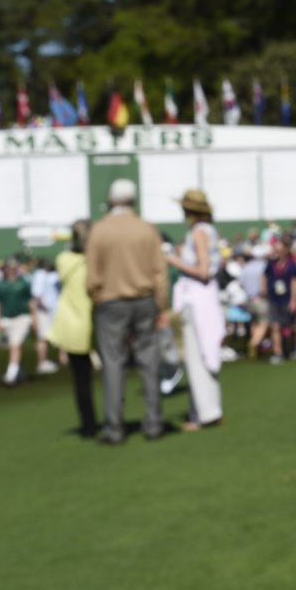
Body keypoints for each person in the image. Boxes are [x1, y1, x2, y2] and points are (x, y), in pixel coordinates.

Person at [86, 179, 168, 443]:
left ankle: (114, 427)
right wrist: (161, 304)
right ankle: (154, 423)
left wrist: (96, 295)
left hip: (111, 302)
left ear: (111, 199)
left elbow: (92, 274)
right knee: (149, 361)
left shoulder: (99, 230)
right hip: (144, 300)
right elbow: (160, 270)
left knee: (113, 364)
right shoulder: (147, 229)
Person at [165, 188, 225, 431]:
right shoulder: (206, 231)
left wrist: (174, 260)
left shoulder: (199, 232)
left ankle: (206, 412)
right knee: (202, 353)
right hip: (201, 297)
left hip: (197, 298)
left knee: (197, 354)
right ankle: (203, 411)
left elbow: (202, 270)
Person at [47, 220, 98, 438]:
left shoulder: (63, 259)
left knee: (81, 379)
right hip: (95, 322)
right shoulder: (96, 261)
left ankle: (88, 425)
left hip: (71, 326)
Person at [0, 260, 33, 385]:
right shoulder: (0, 285)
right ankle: (19, 373)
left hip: (22, 317)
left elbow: (30, 301)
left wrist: (34, 317)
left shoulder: (23, 283)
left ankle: (10, 374)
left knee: (15, 345)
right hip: (7, 319)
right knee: (15, 347)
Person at [263, 240, 296, 365]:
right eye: (275, 249)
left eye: (279, 249)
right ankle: (278, 353)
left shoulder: (291, 265)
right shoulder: (270, 264)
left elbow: (295, 282)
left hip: (287, 300)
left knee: (290, 326)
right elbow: (264, 276)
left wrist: (294, 300)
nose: (276, 252)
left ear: (285, 250)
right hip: (274, 300)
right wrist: (263, 291)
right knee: (275, 326)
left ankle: (295, 349)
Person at [30, 258, 61, 374]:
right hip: (45, 312)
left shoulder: (48, 275)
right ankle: (42, 363)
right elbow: (37, 296)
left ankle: (63, 359)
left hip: (52, 310)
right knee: (43, 338)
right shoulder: (40, 275)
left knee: (58, 336)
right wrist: (42, 309)